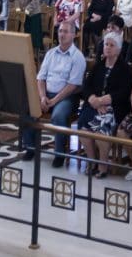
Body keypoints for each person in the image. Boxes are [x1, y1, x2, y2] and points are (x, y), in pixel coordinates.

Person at [26, 21, 87, 165]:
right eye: (60, 31)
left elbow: (72, 86)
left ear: (73, 35)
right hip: (46, 94)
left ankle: (59, 154)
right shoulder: (50, 53)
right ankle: (30, 148)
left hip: (67, 97)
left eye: (66, 31)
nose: (62, 34)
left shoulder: (77, 57)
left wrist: (53, 101)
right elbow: (40, 78)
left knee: (58, 116)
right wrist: (42, 97)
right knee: (28, 109)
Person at [75, 31, 132, 173]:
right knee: (83, 127)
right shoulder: (98, 65)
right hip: (94, 105)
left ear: (118, 49)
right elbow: (86, 86)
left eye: (112, 45)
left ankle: (102, 164)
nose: (107, 47)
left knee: (102, 129)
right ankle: (92, 161)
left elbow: (124, 92)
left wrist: (103, 100)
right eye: (106, 44)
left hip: (114, 107)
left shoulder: (124, 68)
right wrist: (92, 99)